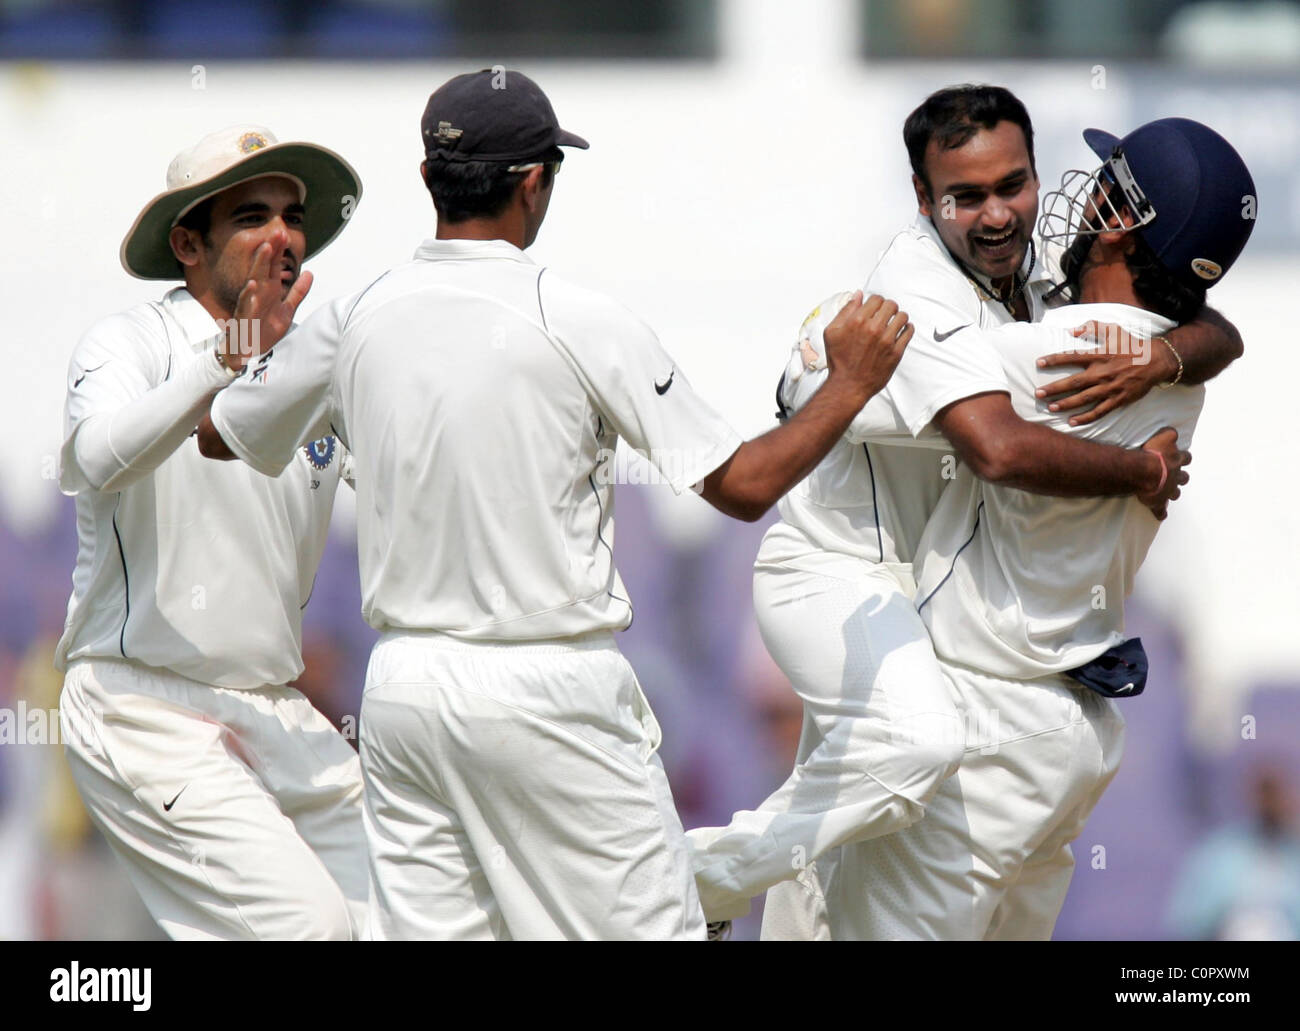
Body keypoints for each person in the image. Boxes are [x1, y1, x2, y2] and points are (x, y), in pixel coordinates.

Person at [197, 69, 913, 941]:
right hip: (547, 687)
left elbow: (219, 435)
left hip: (406, 692)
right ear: (535, 181)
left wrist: (249, 336)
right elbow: (744, 485)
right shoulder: (577, 317)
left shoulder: (354, 318)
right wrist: (848, 387)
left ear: (429, 179)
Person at [686, 86, 1242, 936]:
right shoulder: (1150, 363)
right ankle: (691, 889)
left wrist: (821, 366)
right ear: (925, 197)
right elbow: (1217, 333)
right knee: (882, 786)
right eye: (967, 194)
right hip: (910, 623)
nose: (1002, 213)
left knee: (867, 814)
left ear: (1122, 218)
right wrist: (1166, 378)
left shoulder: (1059, 341)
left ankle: (673, 885)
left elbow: (988, 438)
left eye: (1015, 185)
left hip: (980, 699)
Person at [56, 125, 369, 940]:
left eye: (293, 217)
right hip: (143, 705)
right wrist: (225, 360)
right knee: (312, 927)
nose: (283, 236)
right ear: (188, 242)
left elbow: (414, 485)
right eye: (253, 215)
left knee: (411, 917)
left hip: (276, 708)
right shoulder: (130, 342)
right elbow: (96, 459)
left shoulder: (321, 363)